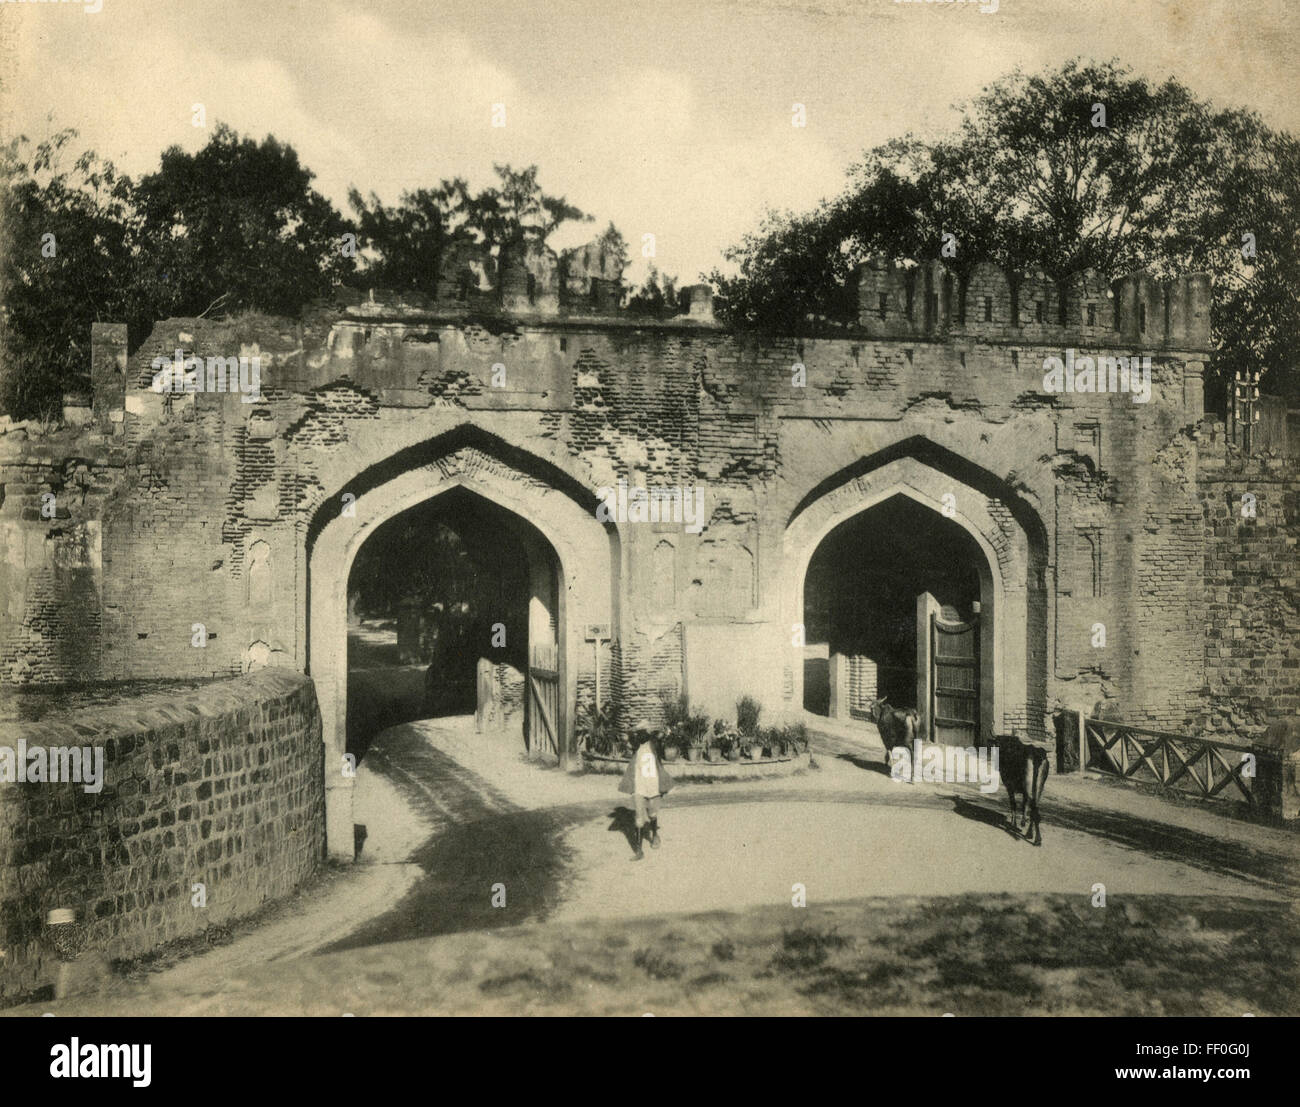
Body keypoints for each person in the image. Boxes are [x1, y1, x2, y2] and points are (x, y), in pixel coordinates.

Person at [618, 722, 674, 860]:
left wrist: (663, 733)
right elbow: (626, 739)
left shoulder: (654, 745)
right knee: (639, 819)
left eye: (643, 733)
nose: (641, 735)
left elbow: (662, 741)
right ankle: (639, 851)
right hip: (639, 786)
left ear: (648, 734)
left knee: (652, 814)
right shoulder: (635, 747)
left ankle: (654, 835)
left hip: (654, 786)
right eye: (639, 733)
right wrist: (631, 731)